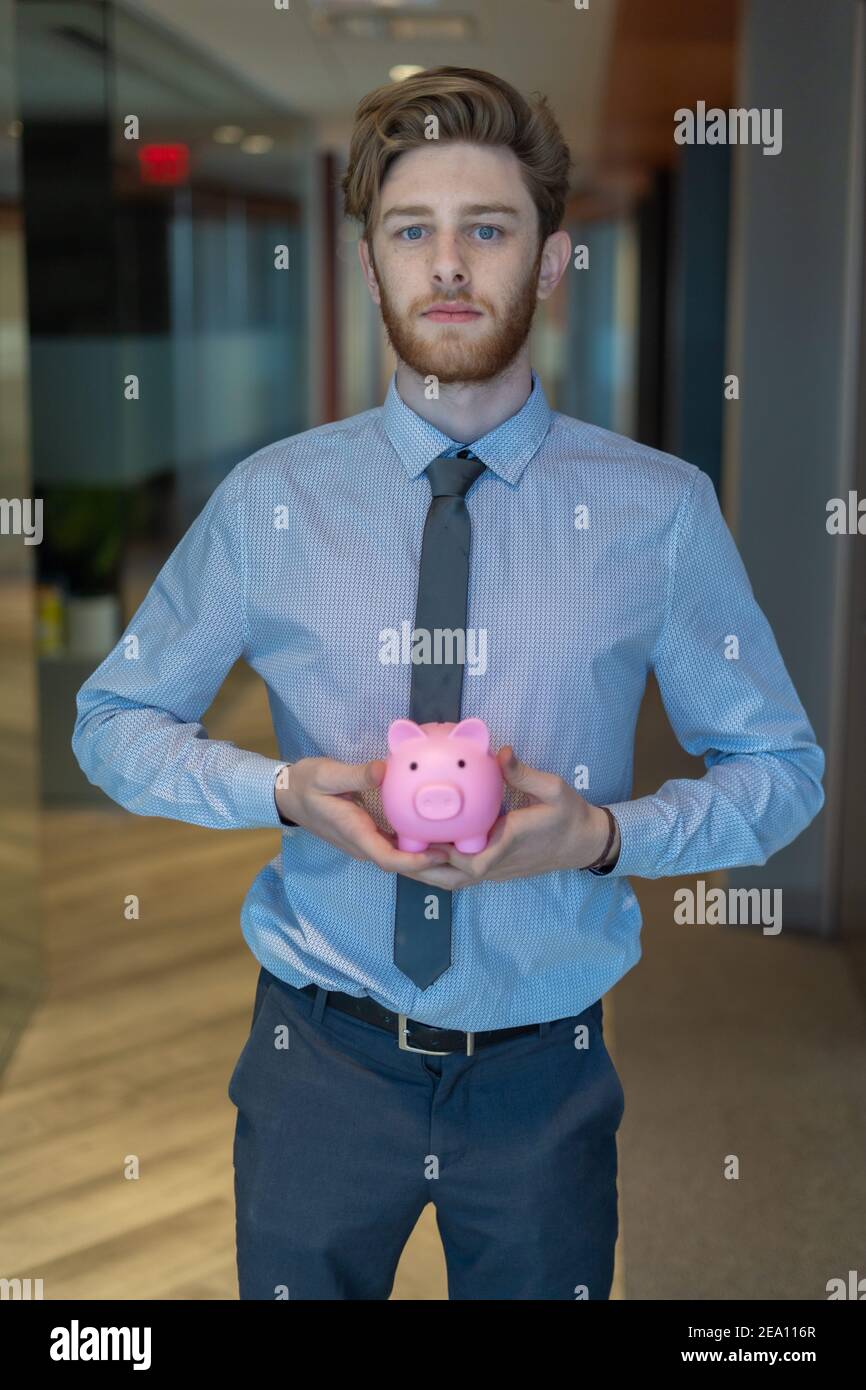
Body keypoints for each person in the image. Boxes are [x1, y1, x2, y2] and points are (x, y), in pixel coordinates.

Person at [71, 66, 825, 1301]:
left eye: (489, 227)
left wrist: (601, 836)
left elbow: (781, 773)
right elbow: (113, 724)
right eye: (411, 232)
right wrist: (278, 791)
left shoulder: (660, 514)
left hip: (547, 1070)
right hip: (317, 1051)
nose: (449, 265)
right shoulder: (273, 502)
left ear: (553, 259)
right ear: (368, 266)